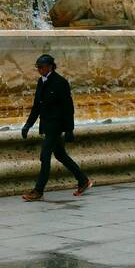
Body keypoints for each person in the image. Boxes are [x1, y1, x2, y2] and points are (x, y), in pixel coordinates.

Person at [21, 54, 92, 200]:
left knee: (44, 156)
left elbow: (68, 108)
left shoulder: (61, 82)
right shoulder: (41, 82)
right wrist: (28, 124)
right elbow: (37, 107)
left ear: (51, 66)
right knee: (60, 155)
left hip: (56, 125)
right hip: (46, 125)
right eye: (38, 67)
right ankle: (83, 180)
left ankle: (38, 190)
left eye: (42, 67)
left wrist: (69, 129)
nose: (39, 70)